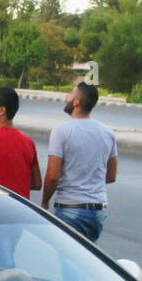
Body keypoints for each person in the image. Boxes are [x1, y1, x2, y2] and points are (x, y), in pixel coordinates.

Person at [41, 81, 118, 242]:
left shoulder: (61, 131)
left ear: (76, 102)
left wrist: (44, 201)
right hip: (98, 209)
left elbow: (53, 176)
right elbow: (111, 176)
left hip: (71, 209)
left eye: (70, 93)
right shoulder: (107, 132)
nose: (66, 96)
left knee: (68, 262)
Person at [0, 86, 41, 266]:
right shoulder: (28, 142)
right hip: (18, 212)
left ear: (2, 110)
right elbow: (36, 183)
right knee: (7, 255)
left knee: (4, 265)